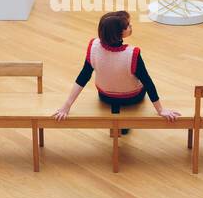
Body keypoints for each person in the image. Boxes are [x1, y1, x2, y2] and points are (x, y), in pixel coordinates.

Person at [53, 11, 181, 129]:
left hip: (105, 97)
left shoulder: (94, 47)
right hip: (133, 98)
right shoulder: (132, 54)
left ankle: (117, 117)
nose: (131, 26)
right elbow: (147, 82)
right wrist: (160, 110)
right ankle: (124, 121)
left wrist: (67, 106)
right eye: (128, 26)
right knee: (141, 82)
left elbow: (83, 77)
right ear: (119, 33)